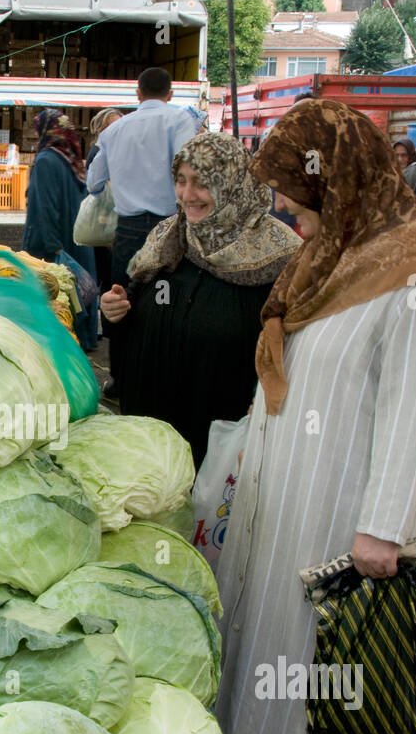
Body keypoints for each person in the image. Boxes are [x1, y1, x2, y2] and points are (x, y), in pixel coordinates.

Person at [215, 98, 416, 734]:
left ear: (338, 180)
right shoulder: (330, 250)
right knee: (281, 633)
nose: (286, 208)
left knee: (349, 655)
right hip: (290, 487)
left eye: (295, 192)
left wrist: (384, 526)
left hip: (353, 500)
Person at [99, 132, 299, 465]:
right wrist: (115, 311)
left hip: (219, 436)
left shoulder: (279, 254)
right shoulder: (169, 236)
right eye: (180, 181)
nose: (187, 195)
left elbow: (289, 351)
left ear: (232, 183)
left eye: (201, 183)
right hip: (151, 429)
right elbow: (133, 303)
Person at [86, 66, 200, 288]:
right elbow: (188, 168)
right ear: (170, 94)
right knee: (165, 301)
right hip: (170, 227)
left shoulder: (113, 130)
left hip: (128, 230)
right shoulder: (180, 121)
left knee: (123, 299)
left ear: (138, 94)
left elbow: (93, 184)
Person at [22, 108, 98, 351]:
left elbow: (43, 207)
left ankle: (62, 343)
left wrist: (50, 249)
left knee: (58, 294)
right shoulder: (72, 160)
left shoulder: (46, 161)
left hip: (53, 242)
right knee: (78, 290)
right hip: (76, 241)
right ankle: (83, 339)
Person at [85, 108, 124, 296]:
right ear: (102, 129)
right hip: (104, 220)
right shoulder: (98, 153)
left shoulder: (112, 150)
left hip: (112, 219)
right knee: (105, 271)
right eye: (114, 125)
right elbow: (96, 189)